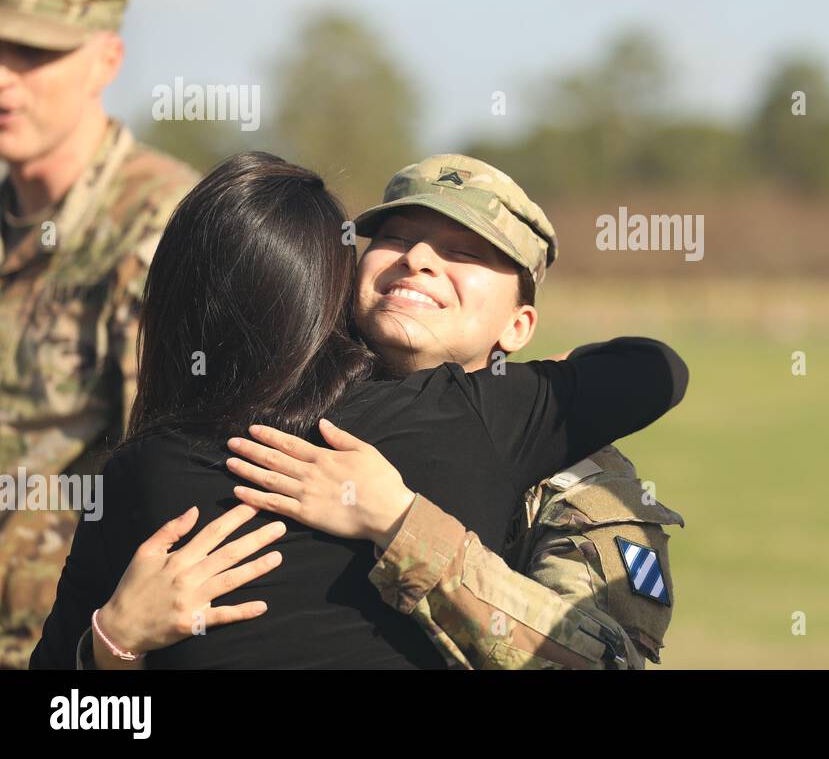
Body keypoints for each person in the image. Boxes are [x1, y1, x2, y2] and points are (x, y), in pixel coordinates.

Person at [30, 152, 687, 669]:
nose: (421, 259)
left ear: (519, 326)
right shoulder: (242, 427)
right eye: (396, 238)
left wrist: (402, 525)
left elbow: (601, 662)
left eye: (463, 252)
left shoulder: (582, 472)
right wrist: (114, 643)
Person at [0, 0, 197, 668]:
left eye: (34, 53)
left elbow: (173, 486)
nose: (3, 80)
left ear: (106, 62)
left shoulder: (164, 228)